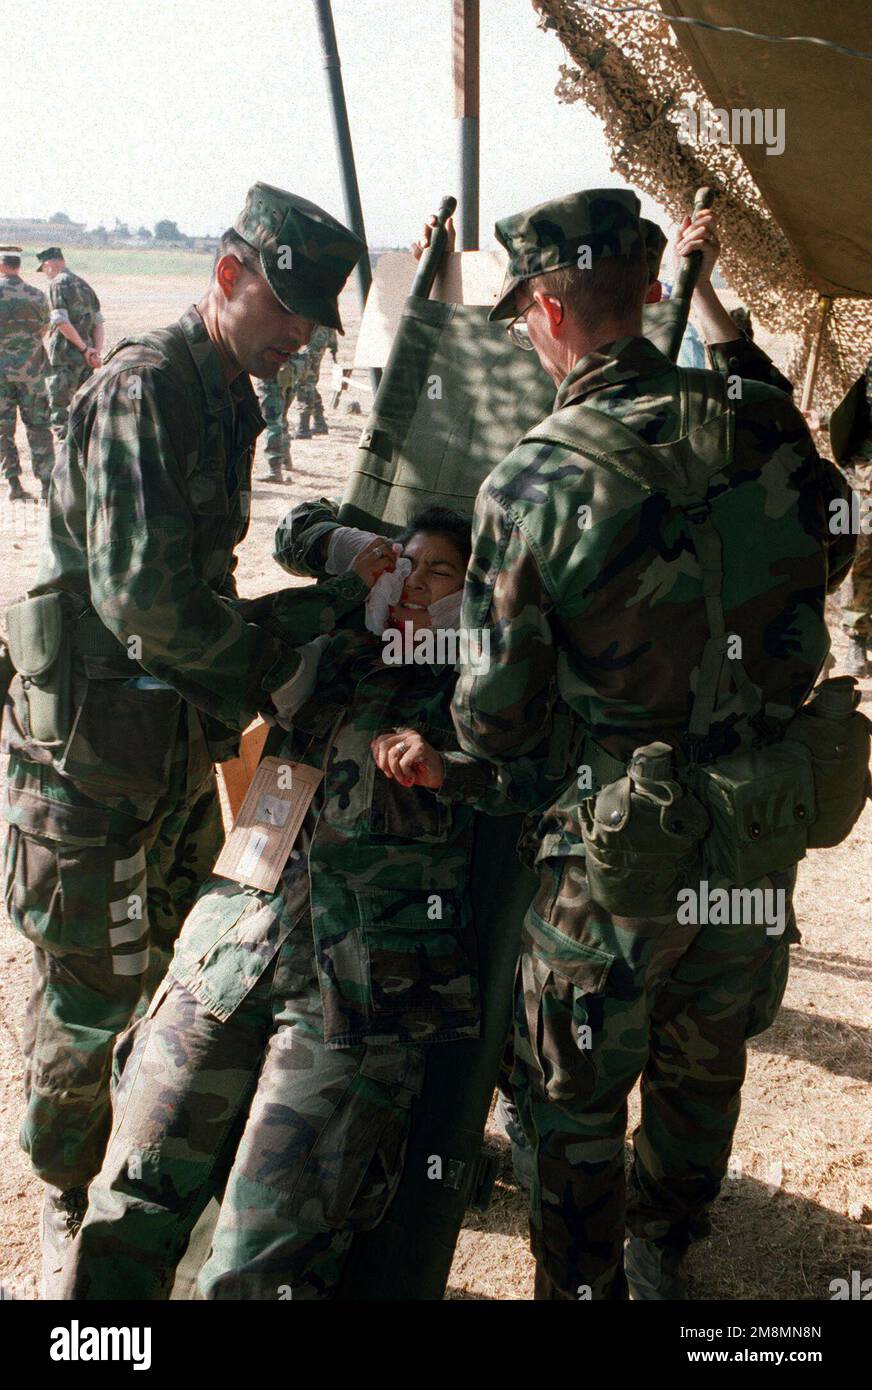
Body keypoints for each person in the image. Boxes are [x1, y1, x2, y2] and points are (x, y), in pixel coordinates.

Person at [401, 189, 854, 1300]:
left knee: (571, 1090)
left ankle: (583, 1282)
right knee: (705, 1059)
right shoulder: (762, 426)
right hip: (751, 830)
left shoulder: (530, 477)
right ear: (650, 289)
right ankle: (666, 1247)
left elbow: (493, 719)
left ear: (548, 309)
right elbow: (832, 552)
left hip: (613, 858)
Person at [2, 183, 364, 1294]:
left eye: (312, 315)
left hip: (164, 739)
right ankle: (68, 1188)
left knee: (160, 964)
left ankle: (126, 1163)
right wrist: (283, 659)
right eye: (284, 306)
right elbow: (149, 603)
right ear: (225, 275)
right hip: (90, 758)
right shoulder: (147, 388)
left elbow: (194, 585)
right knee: (90, 984)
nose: (298, 332)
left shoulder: (228, 393)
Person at [62, 507, 557, 1300]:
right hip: (230, 954)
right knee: (130, 1196)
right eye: (406, 564)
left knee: (260, 1256)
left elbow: (539, 777)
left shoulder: (481, 688)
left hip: (359, 997)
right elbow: (264, 580)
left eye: (439, 573)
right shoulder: (330, 648)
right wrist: (354, 570)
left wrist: (451, 766)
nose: (412, 584)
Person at [0, 245, 55, 500]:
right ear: (17, 266)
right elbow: (45, 327)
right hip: (32, 372)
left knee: (3, 428)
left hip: (1, 373)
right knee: (39, 426)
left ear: (1, 266)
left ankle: (13, 484)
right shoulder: (36, 295)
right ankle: (46, 485)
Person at [34, 247, 104, 442]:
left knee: (59, 410)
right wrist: (94, 352)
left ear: (49, 264)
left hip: (64, 357)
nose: (45, 273)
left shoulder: (57, 284)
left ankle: (66, 458)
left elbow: (60, 321)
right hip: (86, 360)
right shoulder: (84, 285)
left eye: (44, 268)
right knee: (85, 408)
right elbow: (98, 322)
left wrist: (83, 348)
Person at [254, 353, 303, 482]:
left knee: (272, 423)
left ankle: (275, 471)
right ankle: (286, 459)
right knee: (282, 418)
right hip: (289, 373)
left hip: (273, 377)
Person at [294, 323, 338, 437]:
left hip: (312, 341)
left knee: (305, 382)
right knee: (309, 382)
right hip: (317, 339)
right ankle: (319, 422)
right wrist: (333, 343)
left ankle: (304, 427)